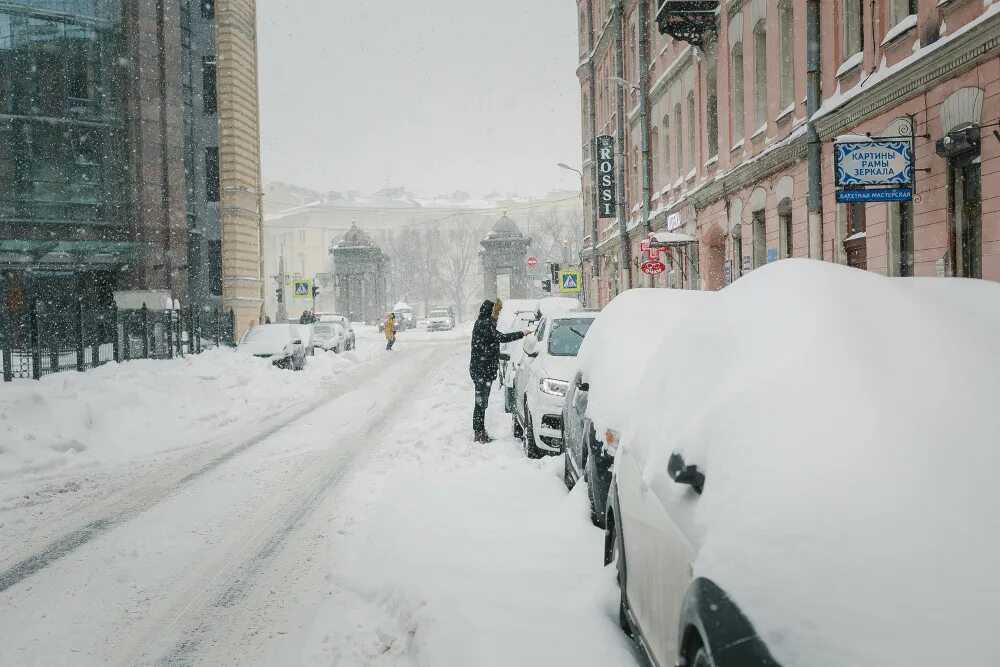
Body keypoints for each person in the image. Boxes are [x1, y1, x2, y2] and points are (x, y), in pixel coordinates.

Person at [469, 299, 526, 443]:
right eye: (494, 312)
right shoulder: (484, 324)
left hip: (481, 369)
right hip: (481, 370)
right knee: (481, 403)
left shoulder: (482, 323)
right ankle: (479, 433)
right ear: (489, 311)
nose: (496, 315)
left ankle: (480, 431)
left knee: (482, 402)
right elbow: (502, 338)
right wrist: (522, 333)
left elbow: (488, 345)